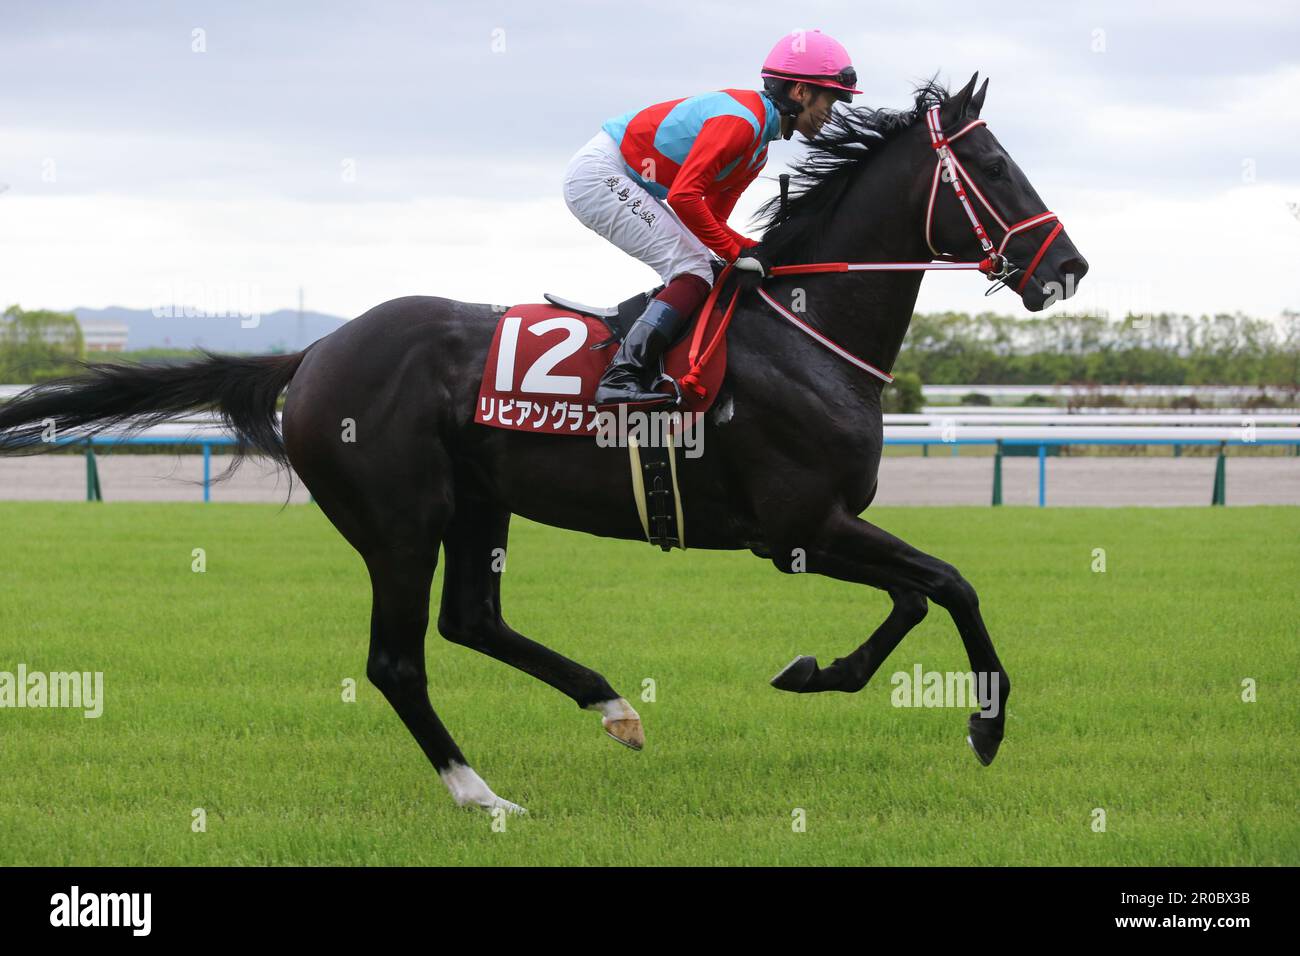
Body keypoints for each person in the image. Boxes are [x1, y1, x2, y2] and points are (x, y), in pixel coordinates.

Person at [561, 29, 862, 407]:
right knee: (693, 269)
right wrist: (739, 252)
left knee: (705, 263)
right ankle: (622, 377)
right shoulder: (742, 123)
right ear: (800, 92)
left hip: (622, 177)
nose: (829, 117)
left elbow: (710, 222)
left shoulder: (757, 152)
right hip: (599, 175)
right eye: (829, 103)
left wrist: (760, 250)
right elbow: (685, 198)